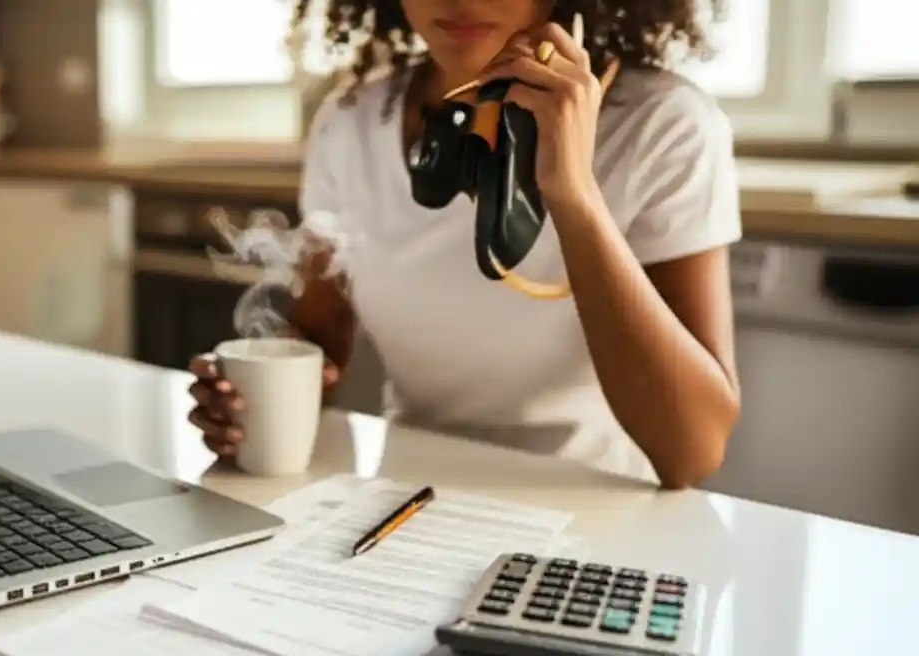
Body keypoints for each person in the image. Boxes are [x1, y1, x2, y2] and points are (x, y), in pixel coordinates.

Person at [189, 0, 743, 489]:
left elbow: (690, 453)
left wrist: (573, 192)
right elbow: (317, 343)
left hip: (593, 514)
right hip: (409, 506)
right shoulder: (350, 122)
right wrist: (254, 400)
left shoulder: (664, 126)